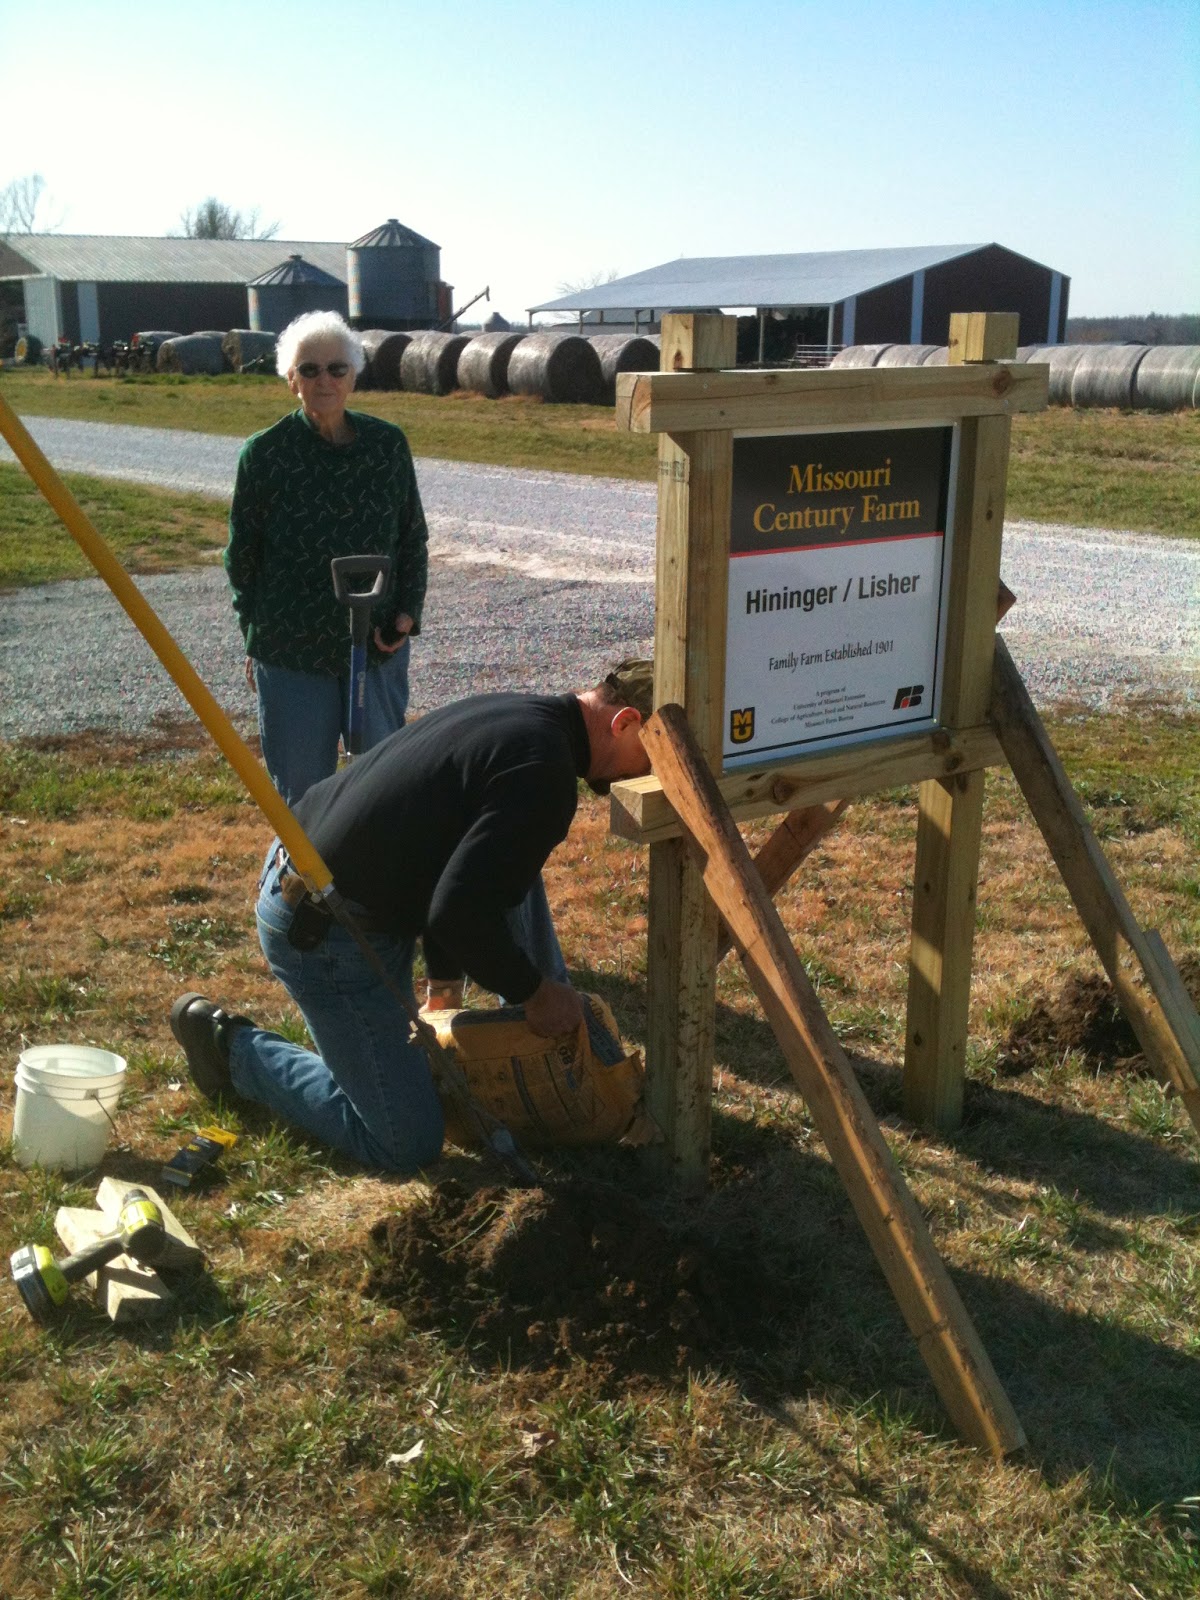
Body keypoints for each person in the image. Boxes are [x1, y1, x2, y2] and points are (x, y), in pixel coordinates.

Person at [169, 660, 656, 1173]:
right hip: (328, 933)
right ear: (624, 721)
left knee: (513, 859)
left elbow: (456, 855)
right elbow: (459, 913)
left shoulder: (529, 717)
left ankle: (564, 1060)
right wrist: (534, 993)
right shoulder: (544, 773)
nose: (647, 774)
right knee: (405, 1142)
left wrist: (444, 988)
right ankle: (229, 1049)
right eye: (651, 756)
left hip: (321, 869)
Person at [225, 310, 428, 805]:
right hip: (291, 651)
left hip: (376, 645)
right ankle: (301, 882)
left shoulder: (387, 446)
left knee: (381, 787)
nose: (324, 380)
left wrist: (405, 617)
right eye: (309, 369)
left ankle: (373, 880)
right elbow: (242, 558)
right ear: (290, 379)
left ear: (353, 375)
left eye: (337, 368)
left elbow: (411, 538)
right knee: (302, 793)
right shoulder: (265, 455)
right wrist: (256, 635)